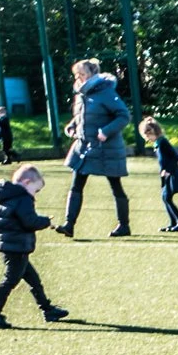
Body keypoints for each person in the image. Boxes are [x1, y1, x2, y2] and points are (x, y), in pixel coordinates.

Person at [0, 164, 70, 329]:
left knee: (33, 279)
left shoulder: (0, 197)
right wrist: (46, 221)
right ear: (26, 182)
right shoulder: (23, 198)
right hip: (16, 245)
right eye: (36, 190)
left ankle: (47, 309)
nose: (35, 195)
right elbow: (29, 221)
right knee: (10, 279)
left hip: (6, 244)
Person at [53, 58, 130, 238]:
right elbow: (83, 116)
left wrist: (106, 131)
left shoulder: (106, 92)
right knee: (76, 184)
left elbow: (123, 116)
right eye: (76, 75)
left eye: (82, 74)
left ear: (92, 74)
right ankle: (69, 225)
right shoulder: (81, 94)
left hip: (107, 148)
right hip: (84, 147)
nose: (78, 78)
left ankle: (124, 226)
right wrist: (72, 126)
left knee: (115, 185)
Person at [140, 118, 178, 231]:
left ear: (154, 132)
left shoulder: (163, 142)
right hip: (166, 176)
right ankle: (173, 223)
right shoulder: (157, 144)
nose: (147, 138)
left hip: (172, 174)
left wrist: (168, 170)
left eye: (148, 135)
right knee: (165, 198)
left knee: (167, 198)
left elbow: (175, 157)